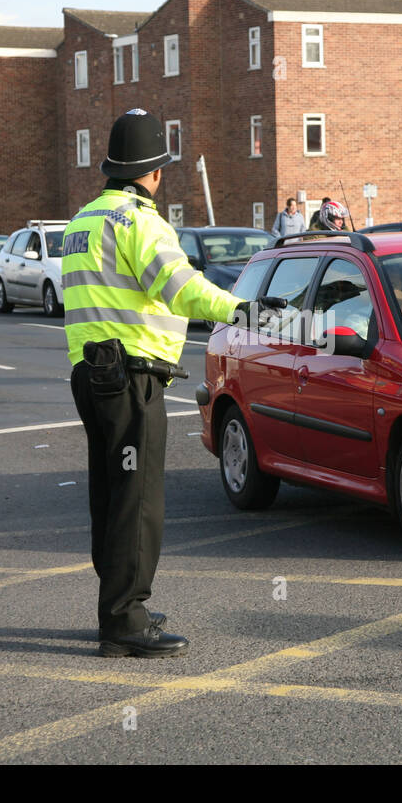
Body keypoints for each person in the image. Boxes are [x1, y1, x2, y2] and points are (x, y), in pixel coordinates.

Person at [62, 108, 283, 658]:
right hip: (133, 378)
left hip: (90, 376)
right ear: (154, 172)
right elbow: (182, 288)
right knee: (138, 501)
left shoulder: (82, 221)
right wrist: (243, 311)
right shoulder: (138, 222)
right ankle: (125, 622)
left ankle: (118, 606)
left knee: (110, 495)